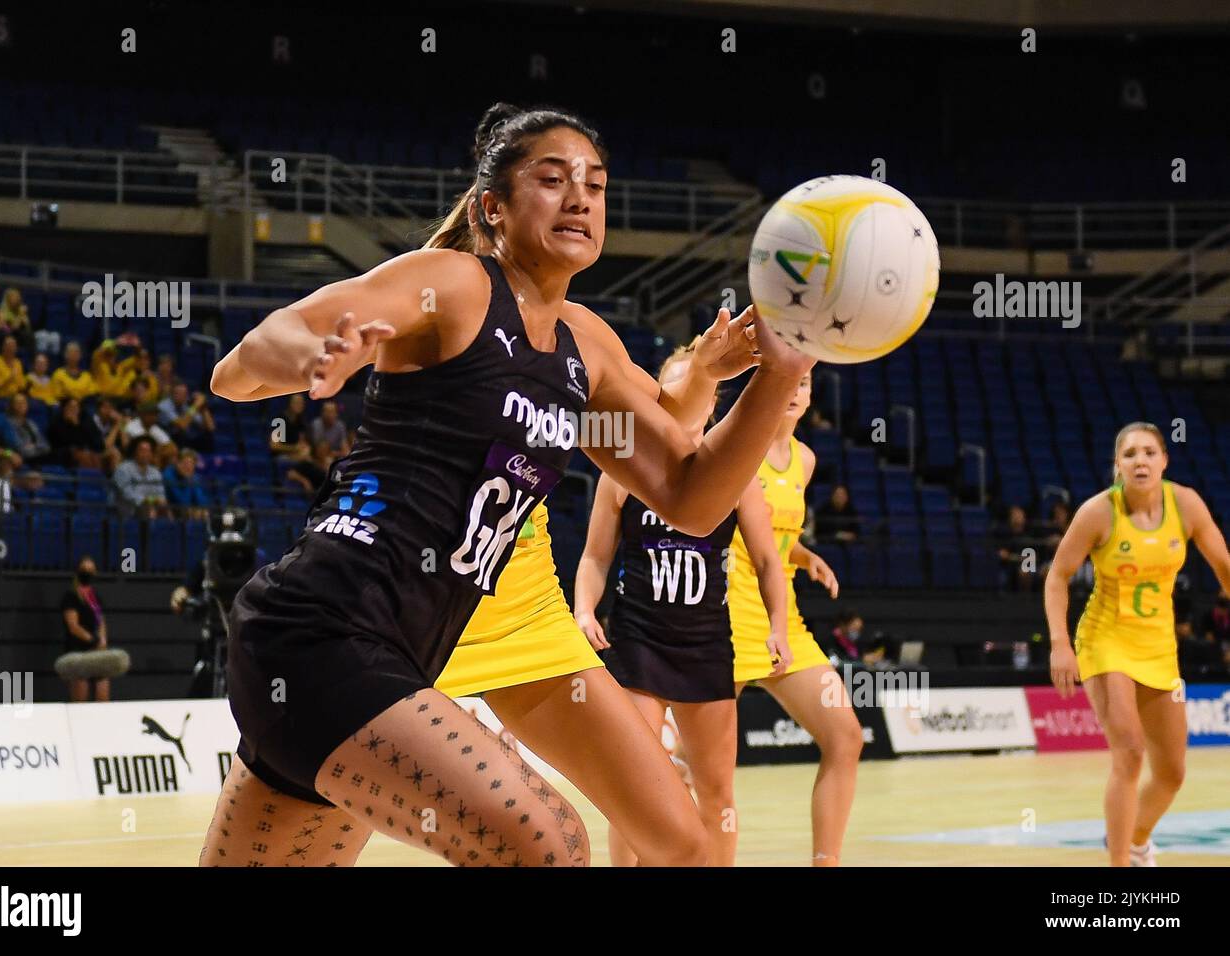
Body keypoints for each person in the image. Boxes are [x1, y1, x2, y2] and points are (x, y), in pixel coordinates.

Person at [200, 102, 812, 868]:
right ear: (493, 207)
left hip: (405, 655)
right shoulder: (453, 285)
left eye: (595, 184)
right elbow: (242, 363)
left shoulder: (586, 345)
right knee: (548, 844)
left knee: (678, 842)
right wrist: (314, 355)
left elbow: (690, 495)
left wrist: (779, 374)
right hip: (321, 636)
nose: (580, 199)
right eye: (552, 181)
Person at [573, 347, 790, 867]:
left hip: (706, 645)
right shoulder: (621, 472)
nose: (681, 400)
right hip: (639, 642)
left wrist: (778, 626)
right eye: (670, 391)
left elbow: (766, 560)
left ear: (712, 398)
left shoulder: (735, 474)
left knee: (717, 796)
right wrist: (584, 610)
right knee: (635, 789)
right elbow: (594, 557)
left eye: (696, 387)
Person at [1046, 421, 1230, 867]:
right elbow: (1057, 576)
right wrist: (1059, 644)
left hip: (1158, 645)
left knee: (1171, 774)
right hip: (1105, 639)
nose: (1140, 461)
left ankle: (1137, 840)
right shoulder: (1097, 512)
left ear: (1165, 461)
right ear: (1118, 466)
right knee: (1129, 751)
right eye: (1130, 454)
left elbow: (1225, 566)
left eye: (1149, 452)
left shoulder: (1185, 504)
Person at [728, 367, 862, 867]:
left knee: (845, 737)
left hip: (784, 626)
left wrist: (804, 557)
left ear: (810, 398)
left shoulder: (804, 460)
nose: (794, 390)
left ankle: (826, 862)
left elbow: (774, 534)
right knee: (697, 765)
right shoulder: (738, 444)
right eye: (786, 381)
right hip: (726, 620)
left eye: (803, 384)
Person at [60, 556, 113, 702]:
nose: (88, 572)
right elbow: (73, 626)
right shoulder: (71, 596)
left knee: (103, 690)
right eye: (85, 569)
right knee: (80, 695)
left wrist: (102, 640)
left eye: (91, 569)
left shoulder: (95, 597)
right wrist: (92, 639)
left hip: (96, 650)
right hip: (78, 649)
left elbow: (101, 621)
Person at [113, 436, 168, 518]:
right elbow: (127, 494)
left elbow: (160, 494)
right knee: (146, 510)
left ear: (152, 454)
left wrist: (161, 502)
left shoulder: (156, 472)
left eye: (148, 451)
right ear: (135, 452)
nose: (145, 454)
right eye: (142, 450)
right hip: (125, 509)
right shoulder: (123, 469)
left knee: (168, 510)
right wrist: (147, 501)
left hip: (150, 507)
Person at [47, 396, 107, 470]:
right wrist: (74, 425)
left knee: (110, 453)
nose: (74, 409)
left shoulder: (84, 420)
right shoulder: (57, 423)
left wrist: (76, 424)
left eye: (76, 407)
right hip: (64, 452)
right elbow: (69, 442)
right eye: (71, 407)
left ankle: (104, 478)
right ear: (64, 408)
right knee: (83, 455)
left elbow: (98, 443)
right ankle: (95, 478)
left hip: (87, 450)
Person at [159, 383, 215, 453]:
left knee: (208, 436)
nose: (181, 396)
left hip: (187, 440)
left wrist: (203, 407)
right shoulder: (164, 406)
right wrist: (196, 406)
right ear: (171, 394)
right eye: (178, 393)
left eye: (183, 394)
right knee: (179, 434)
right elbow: (182, 425)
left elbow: (211, 427)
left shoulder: (185, 405)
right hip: (169, 439)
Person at [995, 504, 1040, 591]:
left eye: (1019, 515)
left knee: (1024, 571)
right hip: (1009, 567)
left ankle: (1027, 599)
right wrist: (1019, 558)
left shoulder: (1030, 534)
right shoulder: (1005, 535)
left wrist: (1012, 557)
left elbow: (1035, 557)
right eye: (1014, 515)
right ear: (1010, 519)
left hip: (1029, 566)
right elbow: (1002, 554)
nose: (1017, 518)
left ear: (1024, 518)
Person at [2, 393, 51, 465]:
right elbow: (18, 448)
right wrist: (37, 448)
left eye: (24, 402)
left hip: (38, 456)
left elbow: (46, 446)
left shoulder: (31, 423)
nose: (21, 405)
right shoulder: (7, 423)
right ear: (11, 405)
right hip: (20, 459)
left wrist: (34, 447)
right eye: (17, 403)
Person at [163, 448, 209, 519]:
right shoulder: (168, 474)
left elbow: (202, 502)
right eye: (185, 463)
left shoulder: (194, 477)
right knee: (190, 511)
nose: (188, 466)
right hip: (171, 509)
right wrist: (188, 480)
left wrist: (191, 479)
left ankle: (205, 530)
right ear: (178, 463)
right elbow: (182, 501)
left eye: (191, 464)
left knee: (203, 512)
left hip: (187, 509)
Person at [0, 336, 28, 400]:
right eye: (8, 346)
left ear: (16, 349)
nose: (10, 348)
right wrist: (8, 379)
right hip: (0, 397)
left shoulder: (18, 363)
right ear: (3, 347)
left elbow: (22, 385)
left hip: (16, 397)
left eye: (13, 346)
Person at [270, 392, 311, 460]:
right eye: (296, 403)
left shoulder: (301, 421)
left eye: (301, 403)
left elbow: (302, 442)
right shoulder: (280, 420)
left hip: (296, 454)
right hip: (281, 455)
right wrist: (293, 448)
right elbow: (274, 445)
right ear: (289, 403)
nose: (299, 405)